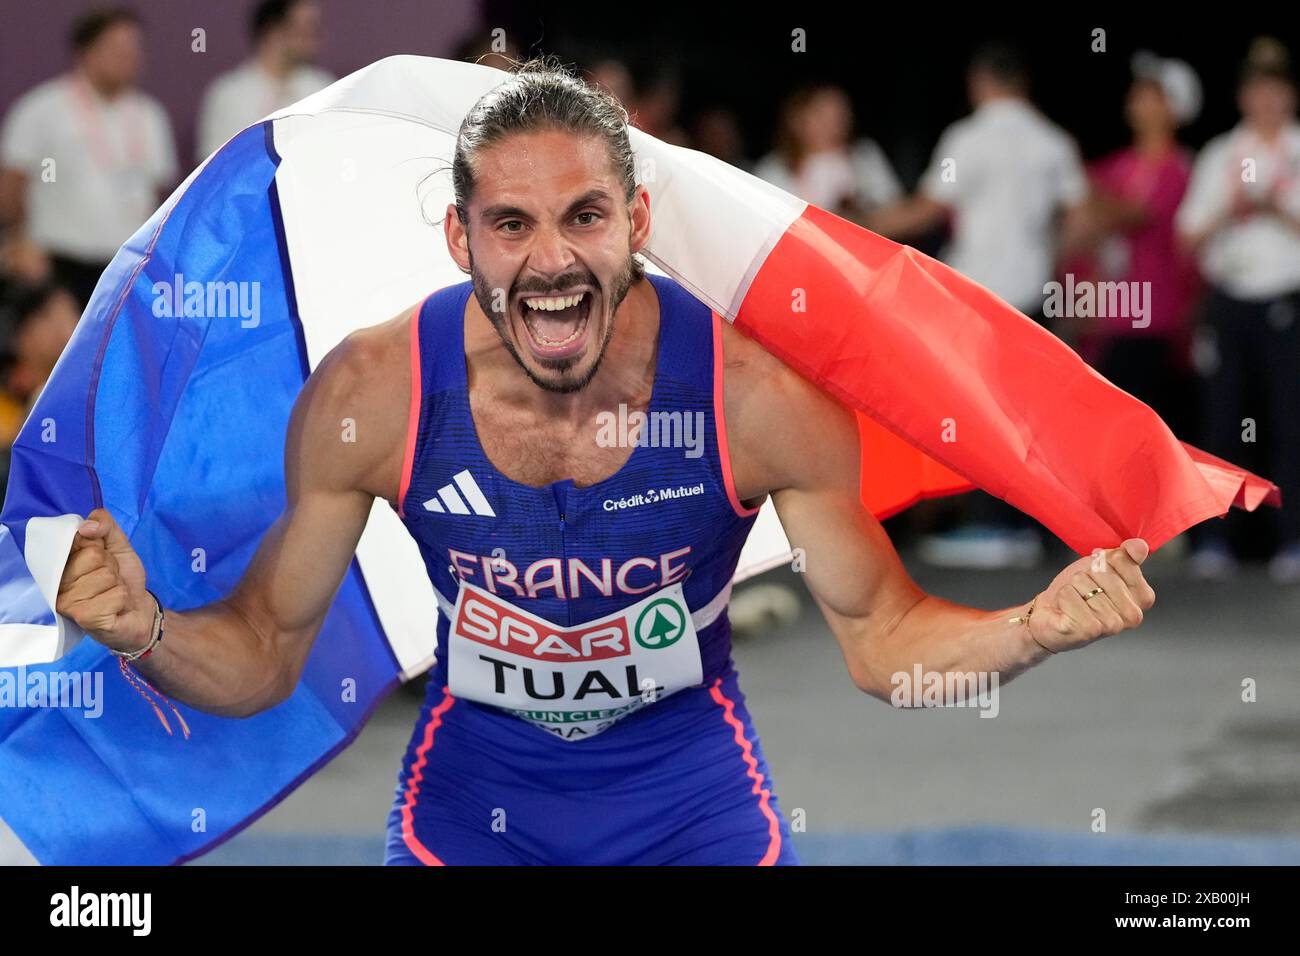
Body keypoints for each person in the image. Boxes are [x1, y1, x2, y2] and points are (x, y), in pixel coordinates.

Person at [55, 60, 1156, 866]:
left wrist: (1031, 627)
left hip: (696, 823)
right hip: (466, 825)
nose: (550, 262)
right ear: (459, 238)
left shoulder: (751, 396)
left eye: (584, 217)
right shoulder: (372, 394)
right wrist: (143, 629)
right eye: (512, 225)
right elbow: (261, 656)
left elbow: (884, 643)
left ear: (634, 221)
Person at [869, 43, 1089, 570]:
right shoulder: (1053, 142)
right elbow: (1079, 220)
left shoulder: (967, 139)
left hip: (974, 296)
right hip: (1031, 295)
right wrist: (1050, 261)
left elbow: (928, 207)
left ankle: (993, 526)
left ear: (979, 83)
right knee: (1028, 419)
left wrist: (861, 225)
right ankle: (1023, 527)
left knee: (975, 416)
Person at [1176, 38, 1300, 584]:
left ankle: (1291, 540)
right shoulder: (1223, 154)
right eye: (1256, 87)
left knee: (1290, 421)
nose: (1266, 98)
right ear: (1245, 95)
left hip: (1286, 299)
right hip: (1231, 299)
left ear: (1289, 94)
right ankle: (1215, 538)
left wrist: (1276, 207)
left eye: (1276, 87)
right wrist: (1233, 208)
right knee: (1223, 422)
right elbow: (1187, 237)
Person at [0, 7, 177, 310]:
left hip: (126, 268)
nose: (130, 56)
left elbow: (160, 195)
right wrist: (17, 245)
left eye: (134, 47)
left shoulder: (150, 115)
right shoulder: (41, 109)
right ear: (86, 52)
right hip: (60, 266)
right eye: (118, 48)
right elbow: (10, 188)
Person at [1070, 52, 1201, 441]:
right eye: (1138, 92)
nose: (1137, 100)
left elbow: (1134, 214)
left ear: (1174, 109)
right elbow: (1082, 226)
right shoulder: (1117, 166)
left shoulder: (1182, 169)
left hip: (1152, 325)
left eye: (1151, 95)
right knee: (1102, 439)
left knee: (1147, 440)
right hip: (1106, 325)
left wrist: (1079, 183)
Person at [195, 0, 334, 163]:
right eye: (303, 29)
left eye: (314, 29)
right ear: (272, 32)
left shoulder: (324, 88)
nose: (312, 39)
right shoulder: (229, 95)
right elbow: (214, 166)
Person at [754, 83, 902, 223]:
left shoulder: (863, 155)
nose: (833, 124)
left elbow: (892, 208)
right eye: (821, 114)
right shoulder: (774, 169)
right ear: (797, 120)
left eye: (840, 114)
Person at [0, 281, 80, 510]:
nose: (69, 328)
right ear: (25, 331)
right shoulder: (9, 394)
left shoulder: (82, 394)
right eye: (51, 317)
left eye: (73, 313)